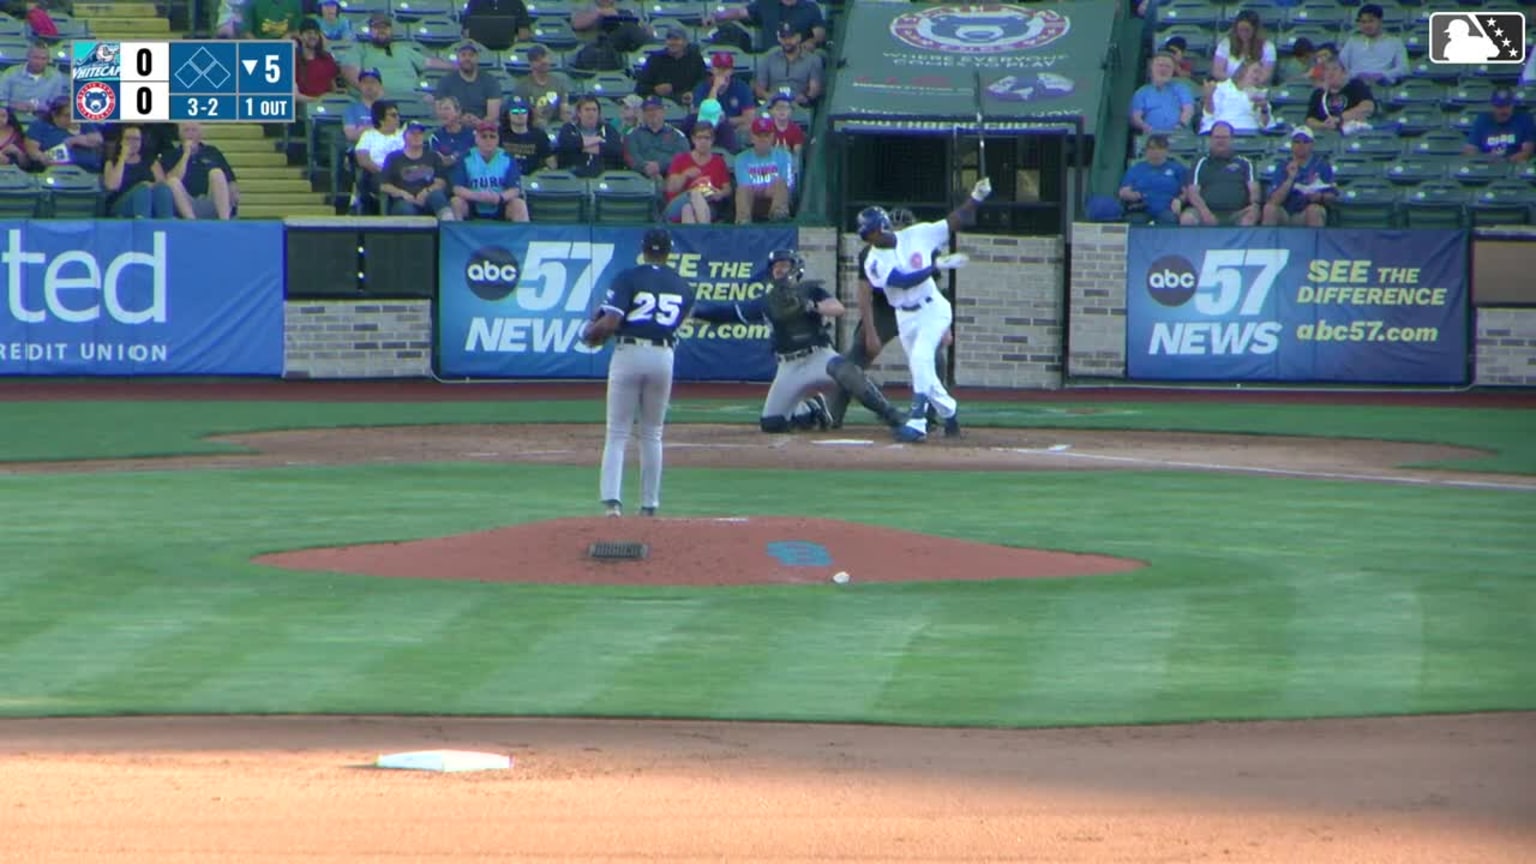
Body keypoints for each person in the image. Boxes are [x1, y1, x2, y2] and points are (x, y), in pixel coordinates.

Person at [692, 250, 907, 434]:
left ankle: (890, 414)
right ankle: (814, 408)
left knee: (847, 371)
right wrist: (695, 311)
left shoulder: (810, 290)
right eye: (776, 266)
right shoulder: (766, 302)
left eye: (784, 265)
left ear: (796, 268)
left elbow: (838, 308)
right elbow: (729, 313)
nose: (780, 270)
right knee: (772, 424)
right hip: (788, 366)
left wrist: (812, 306)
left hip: (818, 356)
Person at [857, 177, 992, 443]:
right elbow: (901, 281)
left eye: (872, 231)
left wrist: (977, 197)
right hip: (904, 315)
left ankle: (917, 423)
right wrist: (935, 267)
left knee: (921, 358)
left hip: (933, 309)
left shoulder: (917, 234)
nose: (870, 237)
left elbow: (954, 221)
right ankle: (949, 412)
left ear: (883, 226)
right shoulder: (873, 260)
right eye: (866, 234)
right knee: (924, 372)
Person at [581, 228, 697, 518]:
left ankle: (612, 503)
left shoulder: (628, 277)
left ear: (643, 249)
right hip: (663, 356)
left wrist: (590, 333)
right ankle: (649, 505)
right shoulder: (683, 285)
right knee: (652, 434)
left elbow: (610, 322)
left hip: (630, 353)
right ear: (669, 252)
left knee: (617, 433)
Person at [824, 208, 952, 430]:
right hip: (884, 309)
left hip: (919, 310)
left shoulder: (922, 247)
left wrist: (945, 328)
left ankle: (929, 417)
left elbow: (935, 289)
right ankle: (832, 415)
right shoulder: (871, 253)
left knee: (934, 359)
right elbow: (864, 293)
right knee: (855, 357)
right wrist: (870, 332)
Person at [1180, 121, 1259, 226]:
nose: (1221, 141)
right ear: (1211, 139)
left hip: (1237, 212)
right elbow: (1193, 193)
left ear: (1232, 139)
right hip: (1205, 211)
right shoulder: (1200, 162)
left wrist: (1254, 205)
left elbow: (1254, 190)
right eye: (1217, 137)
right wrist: (1205, 212)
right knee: (1187, 218)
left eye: (1225, 137)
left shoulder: (1245, 162)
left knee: (1251, 215)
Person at [450, 121, 530, 221]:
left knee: (519, 204)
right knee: (456, 202)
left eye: (492, 137)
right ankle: (456, 232)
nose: (488, 140)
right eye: (484, 136)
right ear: (476, 139)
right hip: (473, 202)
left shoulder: (507, 158)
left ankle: (523, 232)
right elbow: (457, 188)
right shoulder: (466, 157)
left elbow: (515, 189)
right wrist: (477, 196)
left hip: (500, 204)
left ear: (498, 139)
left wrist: (500, 198)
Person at [160, 121, 239, 219]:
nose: (190, 134)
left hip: (211, 201)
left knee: (216, 173)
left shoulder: (212, 151)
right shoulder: (171, 154)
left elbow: (230, 179)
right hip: (185, 204)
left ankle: (224, 221)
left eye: (194, 130)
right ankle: (193, 223)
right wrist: (186, 154)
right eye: (186, 130)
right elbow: (171, 181)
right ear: (179, 134)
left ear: (200, 133)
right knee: (172, 181)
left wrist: (234, 191)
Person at [377, 120, 454, 218]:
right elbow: (384, 185)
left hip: (428, 199)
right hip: (403, 201)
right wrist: (402, 194)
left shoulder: (433, 156)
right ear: (404, 136)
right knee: (406, 209)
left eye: (420, 133)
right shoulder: (393, 158)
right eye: (413, 133)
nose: (417, 136)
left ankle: (448, 223)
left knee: (437, 196)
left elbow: (441, 183)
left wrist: (427, 192)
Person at [1262, 126, 1336, 227]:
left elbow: (1332, 197)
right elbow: (1274, 200)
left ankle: (1314, 238)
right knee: (1269, 208)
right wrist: (1290, 178)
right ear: (1292, 144)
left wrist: (1320, 197)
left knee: (1314, 210)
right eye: (1297, 142)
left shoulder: (1322, 165)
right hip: (1286, 213)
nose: (1301, 145)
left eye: (1305, 142)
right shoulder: (1283, 166)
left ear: (1312, 144)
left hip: (1306, 213)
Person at [663, 122, 731, 223]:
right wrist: (685, 175)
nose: (703, 142)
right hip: (677, 206)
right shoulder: (680, 159)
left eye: (707, 138)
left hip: (708, 205)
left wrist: (720, 194)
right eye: (699, 138)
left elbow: (727, 188)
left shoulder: (718, 161)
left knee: (688, 210)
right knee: (695, 193)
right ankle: (704, 230)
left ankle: (696, 232)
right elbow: (671, 188)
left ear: (712, 140)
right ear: (693, 139)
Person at [103, 125, 175, 219]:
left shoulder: (150, 162)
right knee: (142, 189)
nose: (132, 142)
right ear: (121, 141)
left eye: (136, 139)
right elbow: (112, 186)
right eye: (128, 139)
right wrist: (122, 158)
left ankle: (167, 221)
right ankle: (143, 224)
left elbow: (161, 184)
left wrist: (149, 185)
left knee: (162, 189)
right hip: (122, 204)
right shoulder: (111, 163)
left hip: (150, 200)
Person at [733, 115, 793, 223]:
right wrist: (767, 189)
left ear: (772, 136)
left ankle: (778, 218)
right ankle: (743, 222)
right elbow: (745, 186)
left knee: (780, 184)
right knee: (742, 190)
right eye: (759, 135)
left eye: (767, 135)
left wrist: (760, 188)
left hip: (779, 199)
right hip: (753, 202)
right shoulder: (741, 159)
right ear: (752, 137)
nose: (763, 139)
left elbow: (789, 185)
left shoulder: (785, 156)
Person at [1118, 134, 1187, 225]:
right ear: (1146, 151)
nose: (1156, 152)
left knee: (1169, 219)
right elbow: (1123, 192)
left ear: (1167, 151)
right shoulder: (1136, 169)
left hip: (1167, 209)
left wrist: (1179, 200)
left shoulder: (1177, 168)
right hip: (1141, 209)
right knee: (1134, 221)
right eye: (1152, 148)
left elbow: (1187, 192)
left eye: (1160, 148)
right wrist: (1132, 195)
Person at [1338, 4, 1408, 87]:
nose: (1367, 25)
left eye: (1371, 21)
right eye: (1363, 22)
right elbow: (1341, 65)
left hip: (1384, 85)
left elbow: (1404, 69)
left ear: (1380, 21)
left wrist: (1383, 75)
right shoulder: (1352, 41)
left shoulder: (1395, 42)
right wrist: (1356, 75)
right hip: (1355, 84)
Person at [1461, 88, 1535, 163]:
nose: (1503, 110)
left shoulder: (1524, 119)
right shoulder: (1482, 120)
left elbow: (1528, 151)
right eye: (1499, 106)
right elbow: (1470, 149)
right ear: (1493, 106)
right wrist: (1486, 158)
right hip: (1488, 165)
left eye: (1507, 106)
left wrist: (1506, 161)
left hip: (1515, 165)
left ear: (1512, 105)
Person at [1199, 60, 1272, 135]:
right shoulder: (1221, 87)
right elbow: (1210, 114)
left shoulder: (1260, 94)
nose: (1258, 76)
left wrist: (1264, 108)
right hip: (1222, 131)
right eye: (1255, 71)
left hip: (1249, 132)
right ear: (1243, 71)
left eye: (1260, 73)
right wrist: (1209, 96)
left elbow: (1265, 124)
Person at [1131, 53, 1195, 136]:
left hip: (1179, 134)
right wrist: (1144, 126)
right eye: (1160, 65)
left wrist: (1181, 125)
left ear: (1173, 71)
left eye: (1168, 66)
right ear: (1151, 68)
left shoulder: (1181, 88)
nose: (1164, 69)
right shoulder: (1142, 92)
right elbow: (1136, 117)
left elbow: (1188, 109)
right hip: (1152, 135)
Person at [1305, 59, 1375, 134]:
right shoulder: (1319, 94)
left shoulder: (1356, 85)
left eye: (1335, 69)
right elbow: (1310, 120)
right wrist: (1323, 125)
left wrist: (1340, 118)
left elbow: (1368, 107)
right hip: (1328, 134)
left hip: (1355, 133)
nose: (1330, 73)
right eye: (1327, 69)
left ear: (1344, 73)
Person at [1211, 9, 1275, 83]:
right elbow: (1217, 72)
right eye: (1240, 30)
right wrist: (1236, 82)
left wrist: (1248, 83)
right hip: (1229, 85)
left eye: (1247, 30)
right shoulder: (1225, 44)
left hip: (1255, 86)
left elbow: (1266, 75)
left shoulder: (1268, 47)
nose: (1243, 34)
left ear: (1255, 30)